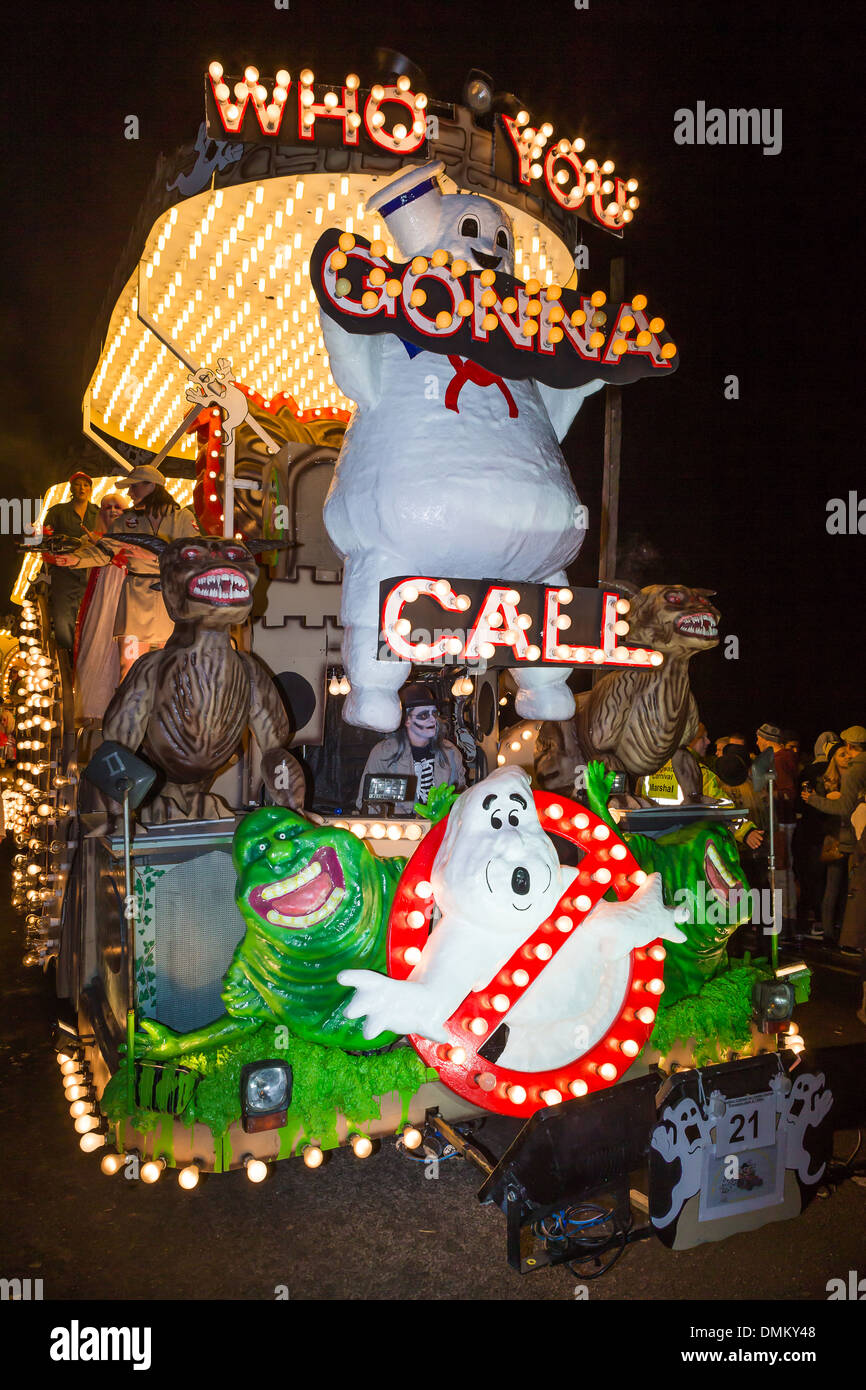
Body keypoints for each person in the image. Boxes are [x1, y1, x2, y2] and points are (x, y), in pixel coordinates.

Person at [45, 465, 200, 679]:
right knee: (129, 668)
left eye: (134, 487)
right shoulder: (126, 521)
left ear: (151, 486)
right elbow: (105, 549)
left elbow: (193, 557)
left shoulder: (182, 517)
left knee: (171, 669)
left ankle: (165, 711)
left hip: (170, 599)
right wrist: (75, 559)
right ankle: (130, 710)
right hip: (135, 599)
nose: (129, 493)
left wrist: (154, 556)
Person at [357, 684, 466, 813]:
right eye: (424, 715)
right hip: (399, 829)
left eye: (434, 713)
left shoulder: (450, 752)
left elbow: (462, 796)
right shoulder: (384, 753)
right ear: (407, 720)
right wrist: (396, 814)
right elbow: (366, 803)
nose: (432, 720)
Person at [803, 727, 866, 944]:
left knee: (849, 890)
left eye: (846, 753)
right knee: (833, 886)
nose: (846, 756)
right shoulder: (827, 779)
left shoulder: (854, 774)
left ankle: (844, 933)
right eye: (840, 754)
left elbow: (845, 807)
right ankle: (830, 933)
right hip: (835, 840)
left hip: (851, 839)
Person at [72, 492, 130, 722]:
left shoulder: (135, 539)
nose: (113, 511)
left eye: (118, 507)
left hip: (127, 593)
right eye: (108, 507)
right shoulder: (91, 539)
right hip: (102, 595)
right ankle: (94, 708)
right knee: (97, 641)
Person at [41, 471, 100, 649]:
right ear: (71, 487)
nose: (82, 488)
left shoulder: (97, 512)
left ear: (90, 489)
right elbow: (43, 539)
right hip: (63, 572)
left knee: (91, 615)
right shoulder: (58, 512)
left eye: (86, 485)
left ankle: (86, 654)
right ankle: (66, 655)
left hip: (90, 572)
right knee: (63, 617)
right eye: (78, 484)